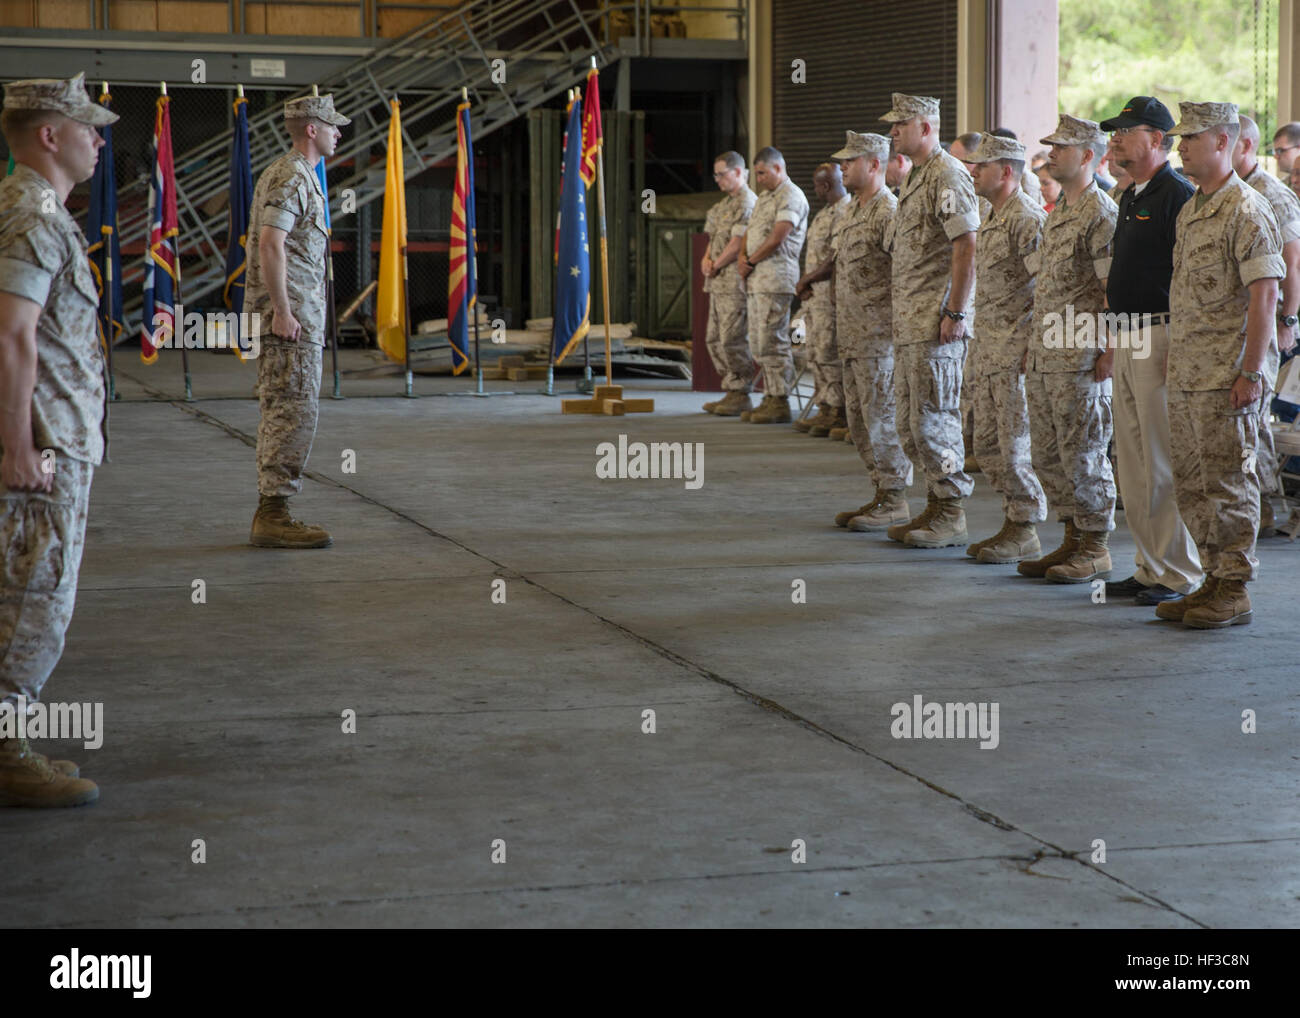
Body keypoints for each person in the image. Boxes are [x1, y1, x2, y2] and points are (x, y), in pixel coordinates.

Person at [0, 73, 111, 807]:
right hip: (41, 446)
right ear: (49, 134)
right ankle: (6, 752)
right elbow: (11, 334)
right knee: (34, 597)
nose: (99, 141)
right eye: (87, 127)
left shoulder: (31, 209)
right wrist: (17, 448)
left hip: (52, 439)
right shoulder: (31, 217)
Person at [1158, 101, 1283, 628]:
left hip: (1228, 377)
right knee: (1191, 483)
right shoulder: (1192, 208)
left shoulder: (1247, 210)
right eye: (1181, 137)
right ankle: (1210, 576)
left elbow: (1265, 297)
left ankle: (1234, 588)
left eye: (1193, 137)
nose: (1181, 145)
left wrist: (1251, 373)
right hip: (1189, 373)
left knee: (1230, 481)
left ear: (1224, 143)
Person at [1097, 96, 1201, 606]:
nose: (1114, 138)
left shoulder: (1174, 194)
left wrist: (1176, 343)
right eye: (1113, 132)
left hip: (1159, 336)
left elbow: (1185, 279)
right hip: (1128, 333)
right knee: (1133, 462)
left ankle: (1179, 573)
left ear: (1157, 139)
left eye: (1125, 130)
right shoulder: (1131, 193)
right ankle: (1149, 565)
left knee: (1161, 462)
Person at [245, 92, 350, 548]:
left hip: (295, 319)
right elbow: (271, 244)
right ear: (312, 129)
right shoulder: (291, 176)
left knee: (288, 410)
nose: (338, 132)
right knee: (292, 412)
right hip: (289, 323)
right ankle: (273, 514)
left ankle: (274, 511)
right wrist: (284, 312)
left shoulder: (299, 174)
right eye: (331, 125)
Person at [1019, 114, 1118, 583]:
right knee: (1048, 453)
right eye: (1051, 147)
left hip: (1081, 356)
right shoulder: (1058, 212)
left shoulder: (1101, 212)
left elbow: (1111, 288)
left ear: (1088, 156)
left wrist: (1110, 349)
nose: (1051, 154)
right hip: (1046, 353)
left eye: (1061, 147)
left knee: (1084, 452)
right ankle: (1072, 537)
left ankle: (1095, 545)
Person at [879, 93, 979, 548]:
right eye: (892, 125)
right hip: (909, 322)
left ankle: (952, 512)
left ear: (926, 127)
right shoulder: (916, 177)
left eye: (901, 124)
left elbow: (965, 244)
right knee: (910, 424)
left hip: (936, 322)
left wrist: (955, 311)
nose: (892, 131)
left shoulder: (947, 173)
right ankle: (935, 505)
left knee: (936, 421)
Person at [815, 131, 914, 531]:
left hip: (879, 339)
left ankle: (895, 499)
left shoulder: (889, 211)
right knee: (858, 422)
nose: (842, 167)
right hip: (853, 337)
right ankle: (880, 492)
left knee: (881, 420)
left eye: (850, 161)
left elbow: (904, 274)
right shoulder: (853, 210)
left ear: (874, 164)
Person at [965, 133, 1049, 563]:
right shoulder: (992, 216)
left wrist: (1031, 345)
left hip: (1015, 352)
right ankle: (1011, 520)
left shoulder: (1027, 218)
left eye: (982, 165)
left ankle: (1025, 527)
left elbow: (1044, 290)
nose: (973, 171)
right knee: (988, 443)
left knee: (1015, 447)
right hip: (988, 349)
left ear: (1006, 171)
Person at [1231, 115, 1300, 536]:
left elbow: (1293, 264)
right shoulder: (1225, 193)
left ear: (1245, 146)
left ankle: (1265, 504)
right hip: (1231, 325)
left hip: (1267, 322)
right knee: (1244, 421)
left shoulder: (1273, 195)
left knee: (1256, 420)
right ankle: (1256, 500)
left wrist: (1288, 321)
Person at [737, 146, 809, 424]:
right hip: (757, 279)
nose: (759, 179)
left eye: (762, 173)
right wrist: (743, 258)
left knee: (773, 339)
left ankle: (780, 399)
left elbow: (779, 236)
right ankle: (769, 395)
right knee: (758, 340)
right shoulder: (764, 198)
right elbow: (749, 232)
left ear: (779, 168)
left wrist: (751, 261)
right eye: (756, 174)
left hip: (775, 278)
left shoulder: (791, 195)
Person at [794, 163, 851, 436]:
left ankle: (838, 411)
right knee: (815, 351)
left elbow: (833, 258)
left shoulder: (845, 210)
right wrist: (807, 284)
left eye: (817, 185)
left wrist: (808, 280)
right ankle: (825, 406)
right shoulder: (825, 213)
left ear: (825, 186)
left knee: (829, 352)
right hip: (815, 296)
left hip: (830, 295)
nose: (815, 189)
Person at [700, 150, 757, 417]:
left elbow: (736, 244)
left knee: (732, 338)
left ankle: (741, 391)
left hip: (733, 283)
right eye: (715, 175)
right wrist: (706, 259)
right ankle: (731, 388)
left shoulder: (748, 203)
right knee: (714, 338)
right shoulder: (722, 206)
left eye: (721, 174)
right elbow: (714, 239)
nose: (717, 180)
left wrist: (717, 263)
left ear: (738, 172)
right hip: (717, 282)